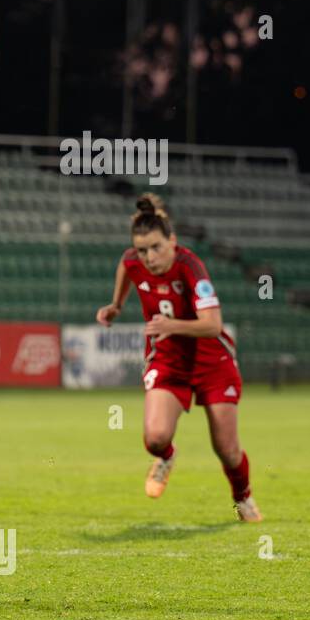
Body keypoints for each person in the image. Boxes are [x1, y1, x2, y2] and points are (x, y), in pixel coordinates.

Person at [95, 193, 261, 521]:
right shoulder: (132, 261)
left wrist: (172, 324)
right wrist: (116, 304)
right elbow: (125, 266)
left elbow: (213, 325)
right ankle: (167, 457)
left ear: (172, 240)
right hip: (168, 358)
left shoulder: (191, 267)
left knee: (227, 449)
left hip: (211, 360)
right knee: (155, 439)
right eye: (143, 250)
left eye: (156, 247)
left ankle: (242, 498)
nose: (149, 257)